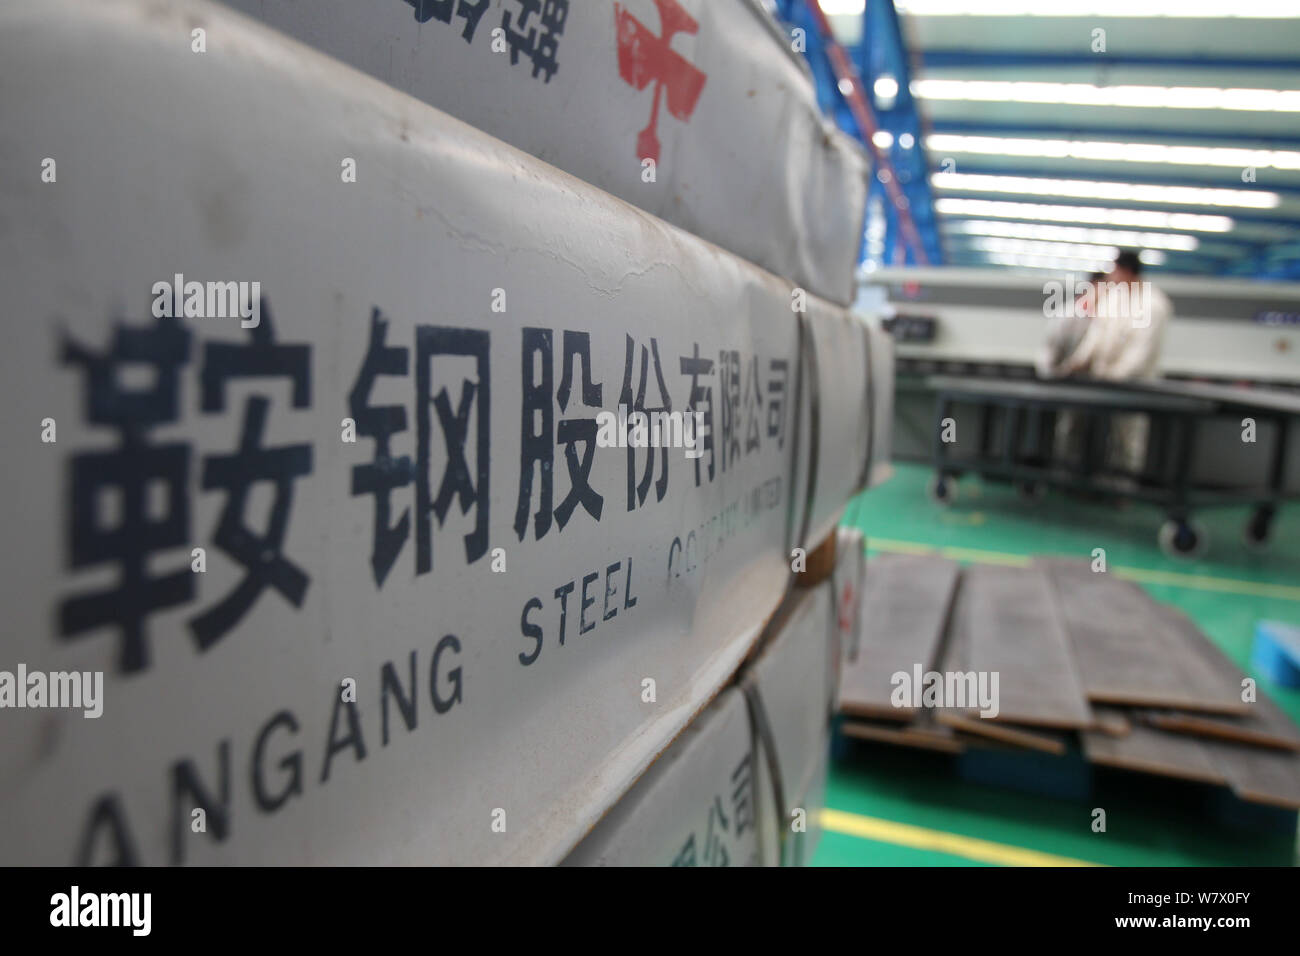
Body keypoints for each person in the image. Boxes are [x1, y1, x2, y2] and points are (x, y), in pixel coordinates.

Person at [1055, 250, 1174, 480]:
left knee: (1127, 438)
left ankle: (1123, 490)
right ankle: (1077, 480)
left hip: (1134, 384)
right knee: (1090, 433)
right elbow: (1096, 336)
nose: (1110, 276)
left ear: (1127, 272)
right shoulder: (1113, 298)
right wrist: (1076, 363)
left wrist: (1112, 375)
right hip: (1102, 381)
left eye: (1114, 271)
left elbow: (1140, 353)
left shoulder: (1154, 304)